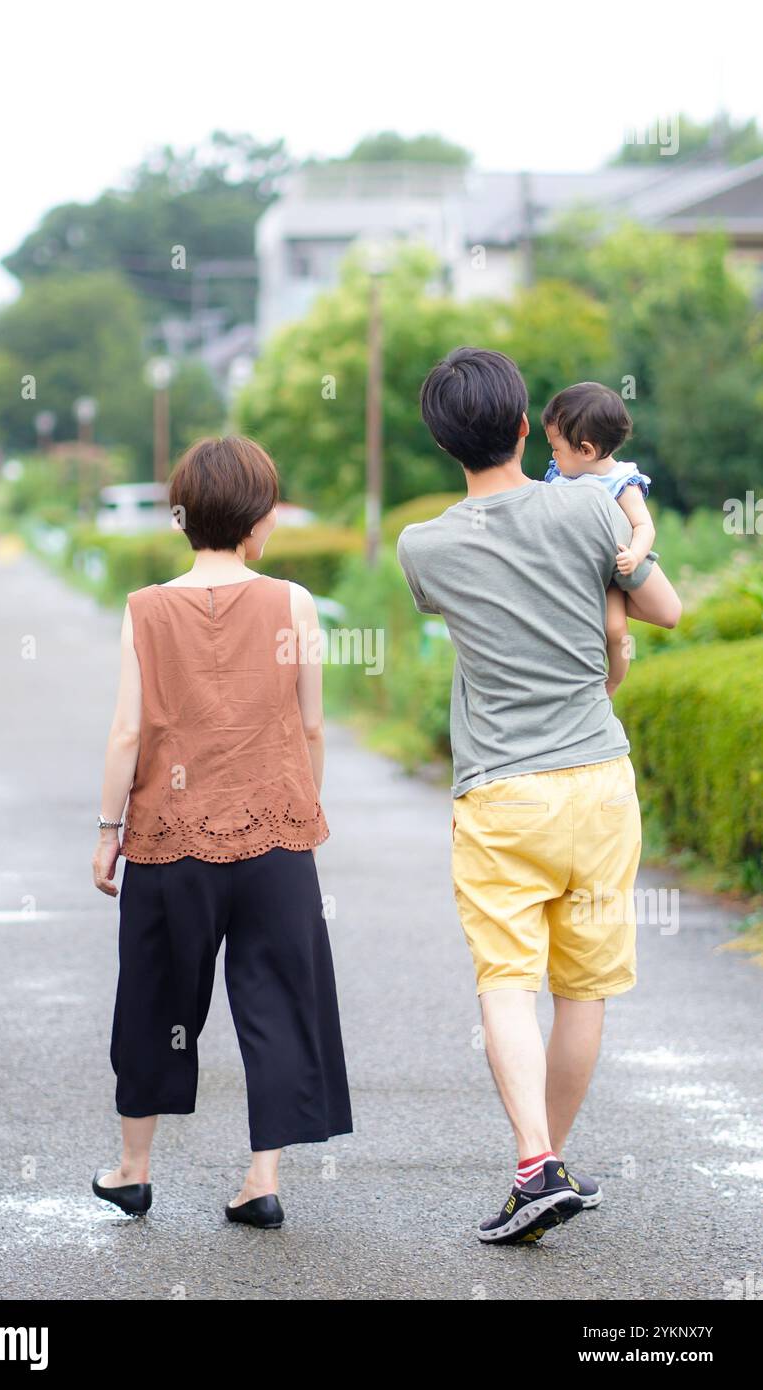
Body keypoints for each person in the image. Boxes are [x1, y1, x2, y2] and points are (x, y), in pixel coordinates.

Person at [397, 348, 681, 1245]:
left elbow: (463, 603)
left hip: (502, 792)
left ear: (445, 442)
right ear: (528, 426)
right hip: (599, 780)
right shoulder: (593, 507)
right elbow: (664, 608)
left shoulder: (424, 546)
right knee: (584, 990)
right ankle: (548, 1163)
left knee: (508, 984)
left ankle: (535, 1167)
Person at [91, 435, 352, 1229]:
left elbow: (127, 734)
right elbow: (311, 727)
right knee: (276, 998)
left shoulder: (145, 610)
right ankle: (261, 1181)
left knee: (154, 1000)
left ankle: (133, 1170)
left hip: (170, 845)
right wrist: (301, 808)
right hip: (275, 840)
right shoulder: (292, 603)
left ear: (184, 516)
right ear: (256, 518)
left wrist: (109, 831)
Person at [542, 381, 655, 696]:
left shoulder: (621, 482)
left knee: (615, 630)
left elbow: (644, 526)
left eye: (556, 447)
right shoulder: (561, 476)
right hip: (564, 570)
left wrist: (634, 555)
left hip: (605, 573)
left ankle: (614, 680)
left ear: (586, 450)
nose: (553, 455)